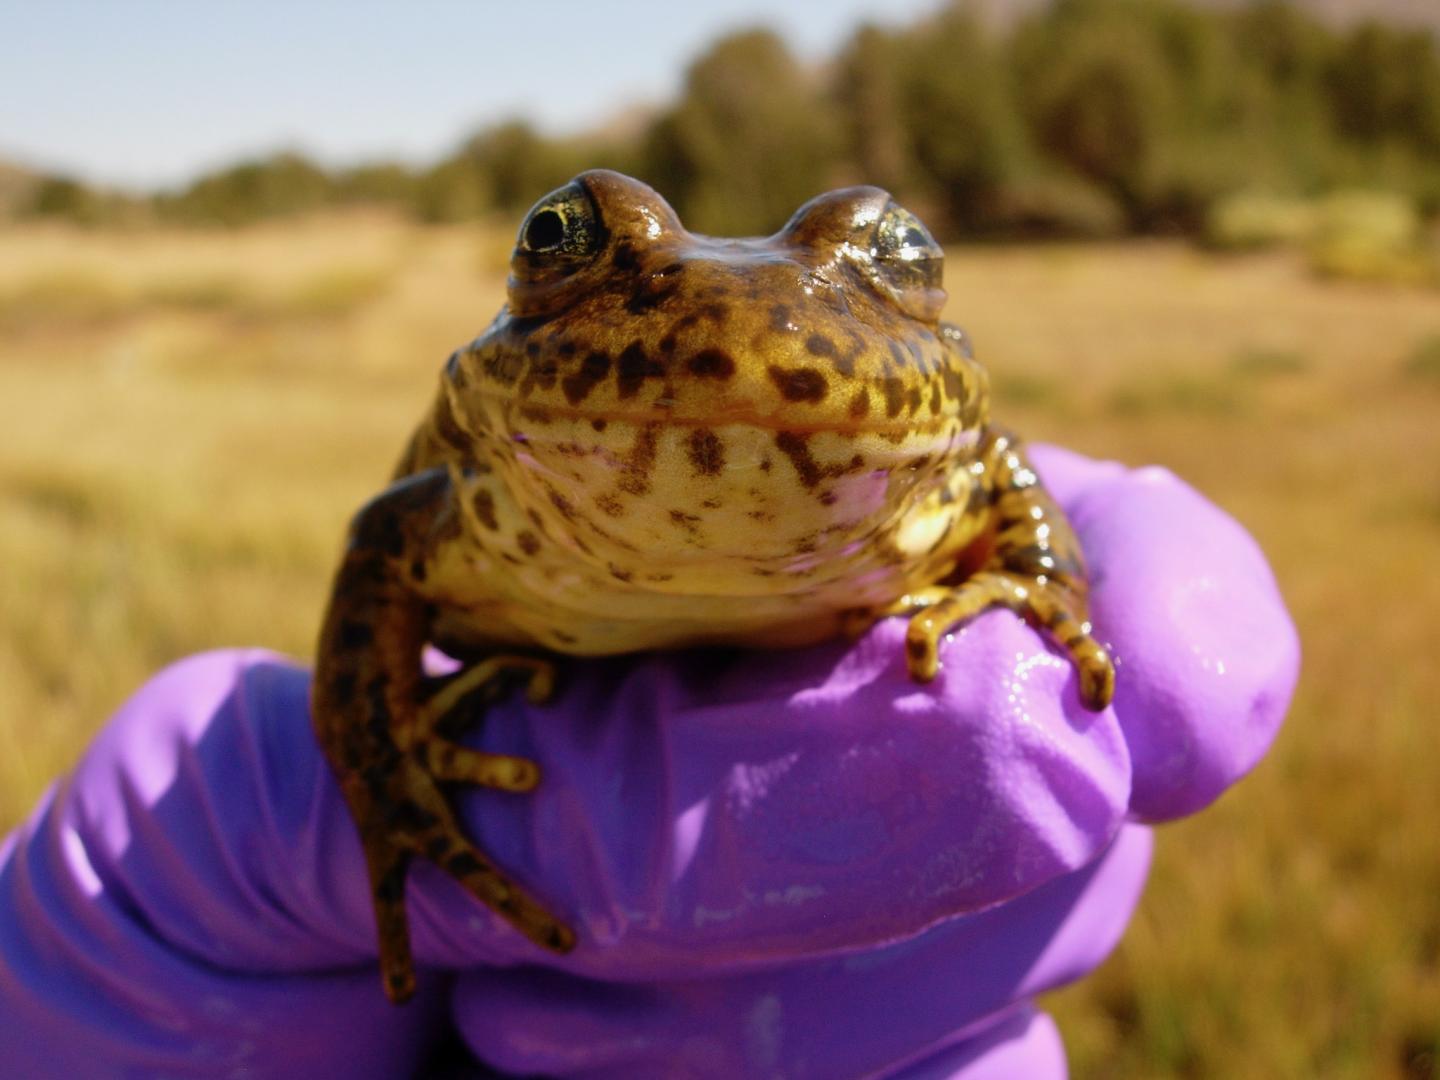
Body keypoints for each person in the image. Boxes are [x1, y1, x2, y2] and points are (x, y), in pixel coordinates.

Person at [0, 447, 1299, 1078]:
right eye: (573, 247)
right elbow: (391, 545)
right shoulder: (476, 482)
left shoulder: (942, 456)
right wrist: (379, 782)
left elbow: (1002, 483)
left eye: (886, 259)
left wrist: (1038, 575)